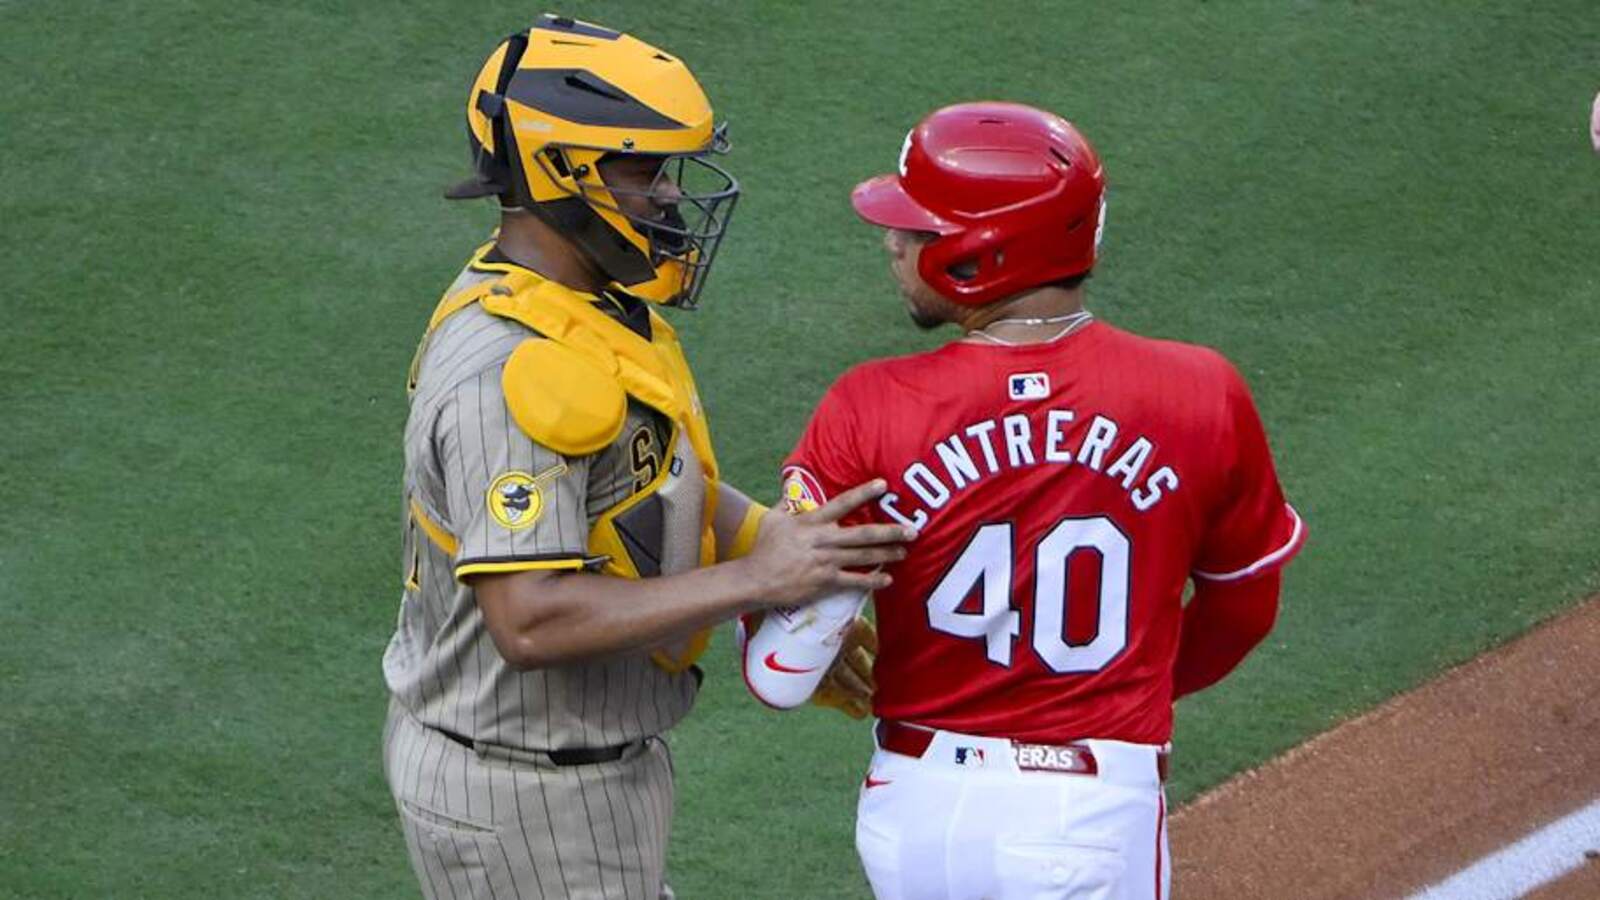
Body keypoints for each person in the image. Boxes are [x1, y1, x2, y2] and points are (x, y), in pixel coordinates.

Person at [381, 16, 907, 900]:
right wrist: (758, 584)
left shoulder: (581, 309)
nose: (668, 197)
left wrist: (778, 544)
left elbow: (647, 480)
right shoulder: (516, 370)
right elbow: (531, 619)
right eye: (643, 172)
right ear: (561, 172)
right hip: (530, 798)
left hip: (567, 784)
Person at [742, 102, 1306, 899]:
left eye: (917, 228)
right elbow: (1243, 612)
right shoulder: (1199, 392)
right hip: (1082, 815)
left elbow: (780, 676)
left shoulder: (867, 408)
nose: (893, 242)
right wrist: (1111, 683)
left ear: (980, 252)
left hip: (912, 818)